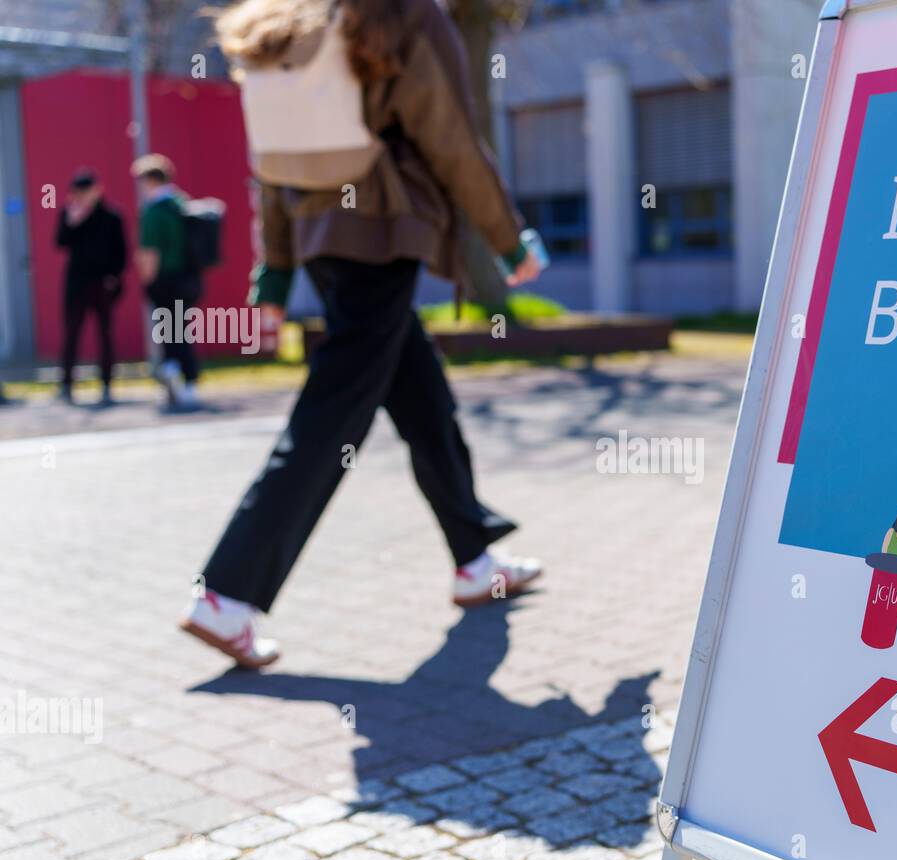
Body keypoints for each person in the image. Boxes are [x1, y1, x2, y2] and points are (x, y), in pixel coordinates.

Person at [180, 0, 543, 667]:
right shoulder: (401, 13)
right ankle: (226, 596)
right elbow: (452, 136)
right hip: (380, 229)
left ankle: (474, 556)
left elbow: (270, 165)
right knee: (330, 414)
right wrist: (507, 235)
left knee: (419, 393)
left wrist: (277, 275)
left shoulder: (286, 19)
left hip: (321, 238)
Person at [132, 153, 202, 409]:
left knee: (169, 332)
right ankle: (190, 383)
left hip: (164, 280)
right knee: (182, 331)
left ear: (150, 180)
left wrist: (147, 282)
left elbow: (149, 252)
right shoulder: (182, 203)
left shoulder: (154, 211)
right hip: (190, 278)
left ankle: (174, 378)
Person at [56, 169, 126, 405]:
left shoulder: (111, 216)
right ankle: (66, 384)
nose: (83, 195)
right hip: (77, 284)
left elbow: (121, 252)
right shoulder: (71, 213)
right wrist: (73, 221)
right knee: (71, 334)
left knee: (105, 334)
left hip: (102, 284)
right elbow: (60, 242)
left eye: (87, 191)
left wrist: (113, 277)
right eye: (78, 191)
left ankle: (107, 384)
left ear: (98, 190)